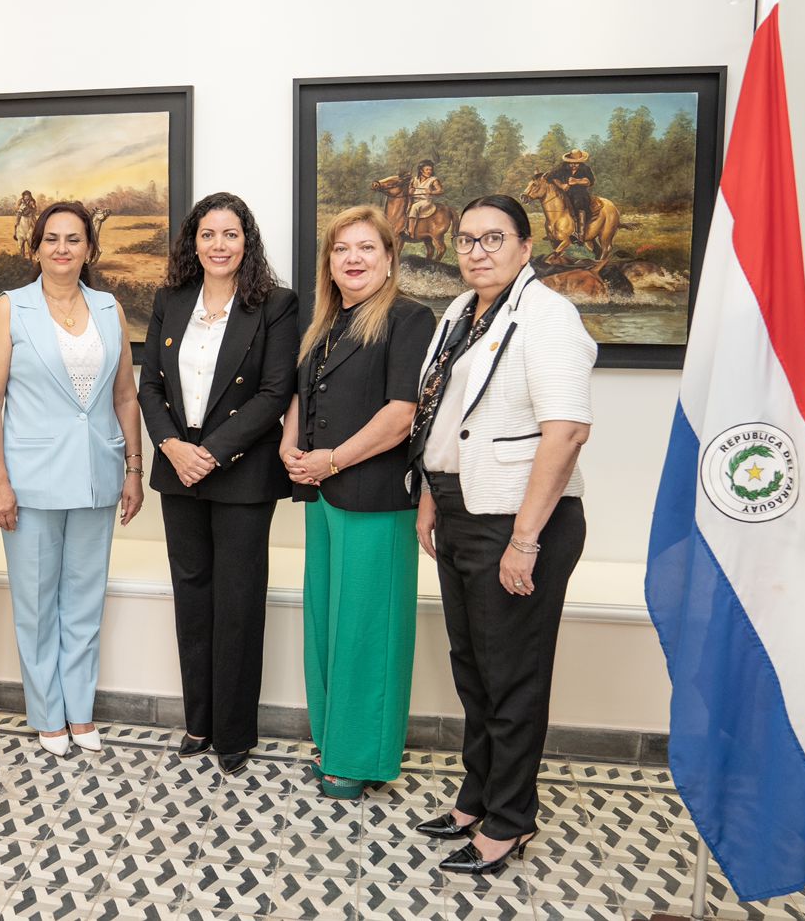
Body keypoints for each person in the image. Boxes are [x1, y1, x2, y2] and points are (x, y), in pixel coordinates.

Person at [408, 194, 595, 875]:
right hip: (460, 507)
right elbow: (439, 415)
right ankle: (477, 795)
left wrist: (524, 539)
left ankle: (509, 821)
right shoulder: (462, 313)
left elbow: (567, 430)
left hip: (517, 521)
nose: (477, 251)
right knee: (474, 669)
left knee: (512, 678)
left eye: (493, 238)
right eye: (466, 239)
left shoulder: (549, 317)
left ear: (525, 246)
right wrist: (431, 494)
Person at [138, 192, 298, 775]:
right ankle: (198, 722)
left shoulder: (275, 304)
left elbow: (274, 393)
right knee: (193, 600)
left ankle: (234, 734)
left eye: (231, 235)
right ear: (193, 242)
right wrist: (174, 448)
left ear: (247, 242)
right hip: (178, 472)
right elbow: (149, 387)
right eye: (208, 234)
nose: (219, 245)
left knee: (237, 604)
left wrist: (210, 453)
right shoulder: (170, 300)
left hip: (243, 475)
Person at [0, 201, 144, 757]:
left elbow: (125, 395)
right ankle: (47, 713)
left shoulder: (108, 308)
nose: (62, 249)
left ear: (89, 249)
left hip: (98, 474)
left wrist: (133, 470)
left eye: (74, 239)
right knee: (36, 600)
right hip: (29, 480)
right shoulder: (10, 309)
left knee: (83, 599)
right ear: (36, 248)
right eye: (51, 239)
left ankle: (80, 710)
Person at [281, 207, 435, 799]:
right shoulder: (324, 323)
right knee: (327, 620)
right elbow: (300, 395)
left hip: (374, 497)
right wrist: (292, 447)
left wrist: (333, 459)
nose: (353, 259)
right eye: (341, 249)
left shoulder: (409, 319)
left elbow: (401, 415)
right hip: (321, 493)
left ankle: (359, 757)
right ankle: (333, 737)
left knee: (368, 629)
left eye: (366, 248)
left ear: (390, 258)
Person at [546, 149, 595, 242]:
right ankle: (553, 232)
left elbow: (590, 181)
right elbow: (551, 177)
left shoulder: (585, 169)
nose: (573, 165)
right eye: (571, 163)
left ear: (580, 162)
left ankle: (580, 234)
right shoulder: (563, 167)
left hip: (580, 193)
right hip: (564, 193)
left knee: (579, 204)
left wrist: (577, 181)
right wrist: (561, 185)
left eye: (576, 163)